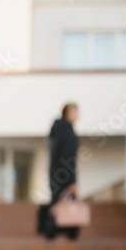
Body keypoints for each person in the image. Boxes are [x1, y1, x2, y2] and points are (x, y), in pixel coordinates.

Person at [38, 102, 80, 240]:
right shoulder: (67, 131)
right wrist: (72, 181)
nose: (78, 115)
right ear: (67, 113)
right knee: (61, 204)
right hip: (64, 175)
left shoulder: (57, 130)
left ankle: (51, 233)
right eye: (75, 112)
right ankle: (52, 233)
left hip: (56, 173)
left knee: (56, 203)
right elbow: (68, 157)